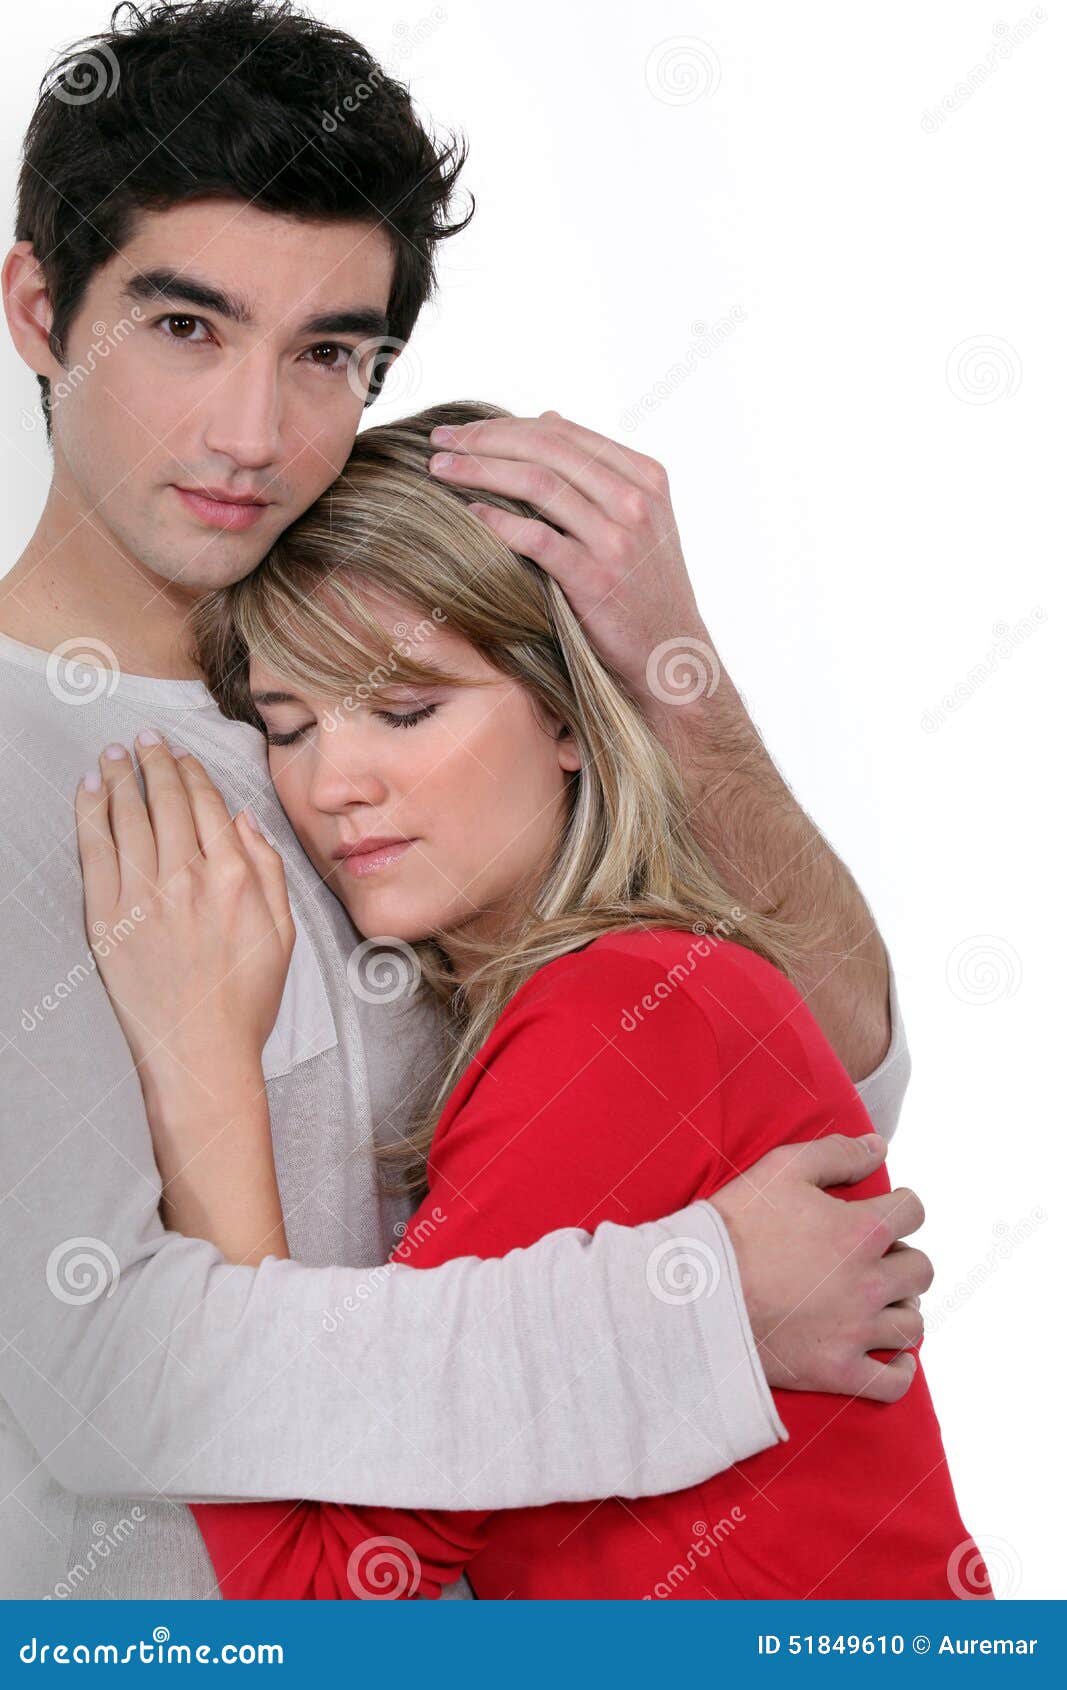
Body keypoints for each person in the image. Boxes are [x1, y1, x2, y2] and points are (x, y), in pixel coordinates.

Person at [1, 2, 923, 1601]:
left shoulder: (410, 668)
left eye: (328, 354)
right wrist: (696, 1313)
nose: (251, 433)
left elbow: (824, 1078)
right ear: (37, 308)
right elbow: (98, 1375)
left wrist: (665, 668)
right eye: (185, 326)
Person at [75, 401, 981, 1601]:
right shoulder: (627, 996)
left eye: (404, 710)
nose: (334, 782)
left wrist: (202, 1078)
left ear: (565, 712)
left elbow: (320, 1610)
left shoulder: (621, 1013)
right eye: (288, 728)